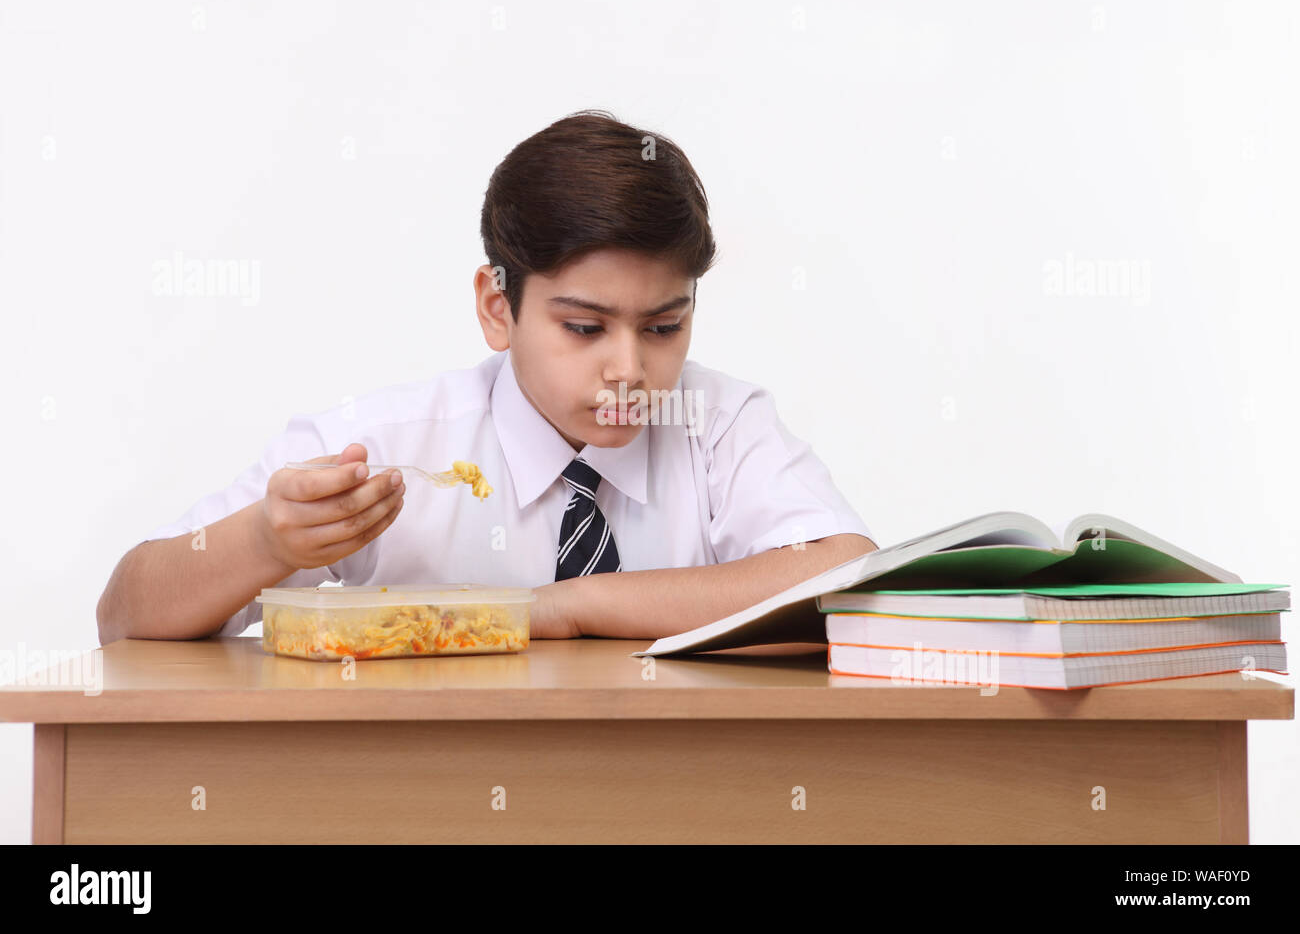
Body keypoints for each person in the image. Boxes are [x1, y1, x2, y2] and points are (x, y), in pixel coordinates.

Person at [96, 109, 877, 646]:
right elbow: (124, 617)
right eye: (584, 327)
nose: (631, 369)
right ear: (497, 308)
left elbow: (844, 576)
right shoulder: (385, 446)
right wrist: (264, 541)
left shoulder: (717, 422)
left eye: (665, 326)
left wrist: (570, 607)